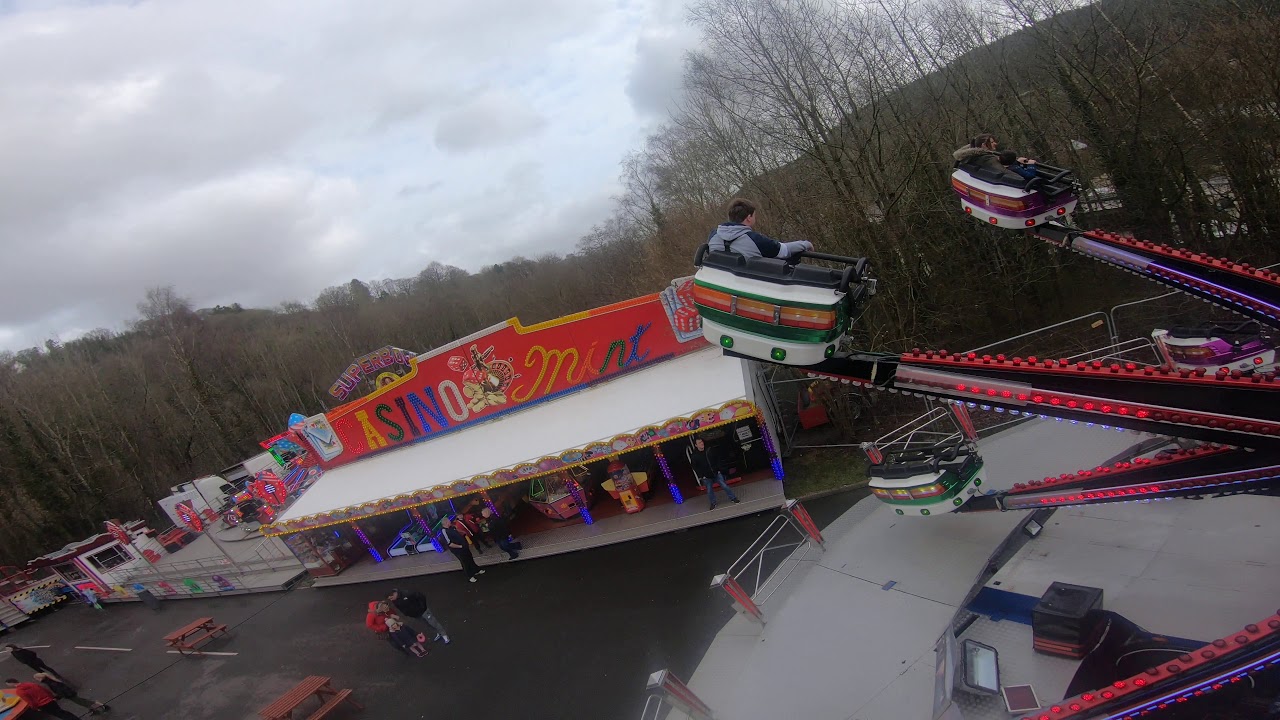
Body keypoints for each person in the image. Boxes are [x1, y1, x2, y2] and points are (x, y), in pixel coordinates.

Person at [707, 198, 813, 259]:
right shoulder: (756, 240)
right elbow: (785, 250)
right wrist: (805, 244)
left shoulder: (713, 236)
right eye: (754, 215)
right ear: (749, 218)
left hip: (721, 284)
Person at [689, 436, 740, 510]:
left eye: (702, 441)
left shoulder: (709, 450)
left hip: (716, 473)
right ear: (696, 445)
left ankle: (733, 498)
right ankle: (713, 503)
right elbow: (695, 467)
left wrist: (719, 470)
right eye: (699, 443)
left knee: (724, 486)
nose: (702, 443)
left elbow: (717, 459)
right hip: (706, 476)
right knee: (709, 490)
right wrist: (702, 475)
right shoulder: (695, 456)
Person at [33, 673, 109, 715]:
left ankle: (102, 705)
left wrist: (58, 697)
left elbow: (59, 691)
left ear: (40, 678)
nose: (37, 680)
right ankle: (93, 709)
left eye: (37, 679)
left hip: (68, 694)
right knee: (81, 702)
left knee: (83, 701)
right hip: (69, 693)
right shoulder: (52, 681)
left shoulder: (51, 683)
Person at [5, 678, 80, 719]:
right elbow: (44, 690)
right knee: (61, 711)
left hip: (42, 705)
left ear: (11, 683)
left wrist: (35, 708)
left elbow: (30, 701)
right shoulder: (30, 684)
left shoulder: (19, 691)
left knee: (59, 715)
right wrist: (52, 697)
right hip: (49, 700)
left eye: (8, 684)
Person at [441, 517, 485, 583]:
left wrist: (463, 533)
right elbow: (449, 543)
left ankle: (476, 570)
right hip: (458, 550)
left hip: (464, 546)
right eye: (449, 521)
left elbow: (456, 530)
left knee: (470, 558)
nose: (450, 522)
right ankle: (469, 576)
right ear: (446, 523)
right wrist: (460, 546)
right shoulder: (444, 531)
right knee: (465, 562)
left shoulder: (451, 527)